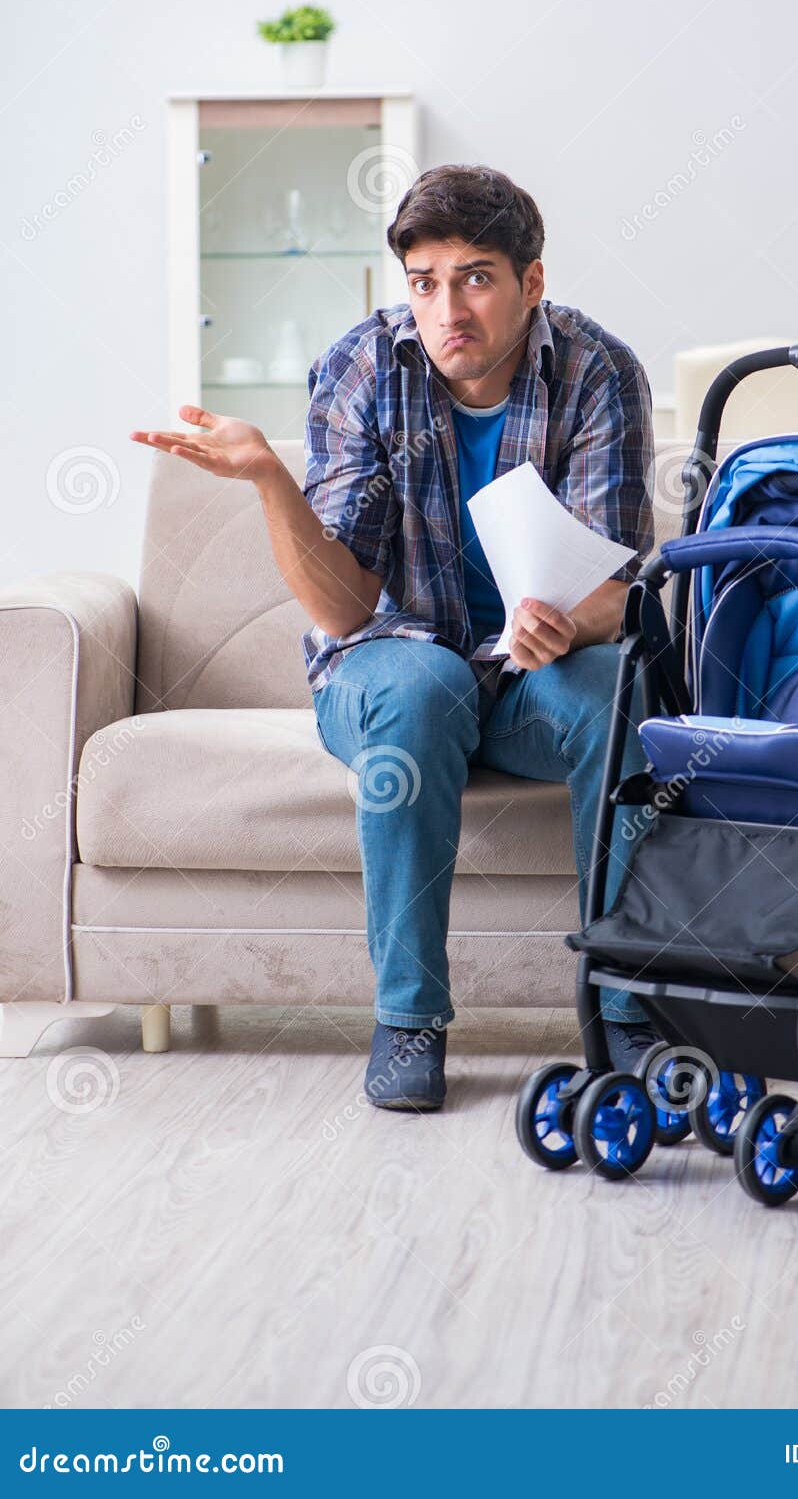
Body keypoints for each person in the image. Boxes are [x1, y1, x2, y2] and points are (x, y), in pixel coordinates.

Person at [131, 163, 660, 1111]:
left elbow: (621, 589)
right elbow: (343, 610)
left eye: (477, 277)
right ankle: (410, 1017)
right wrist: (268, 481)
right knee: (420, 687)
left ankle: (623, 1012)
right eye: (425, 282)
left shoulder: (597, 371)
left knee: (621, 688)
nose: (448, 308)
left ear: (531, 282)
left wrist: (561, 620)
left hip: (533, 678)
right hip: (395, 672)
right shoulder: (365, 368)